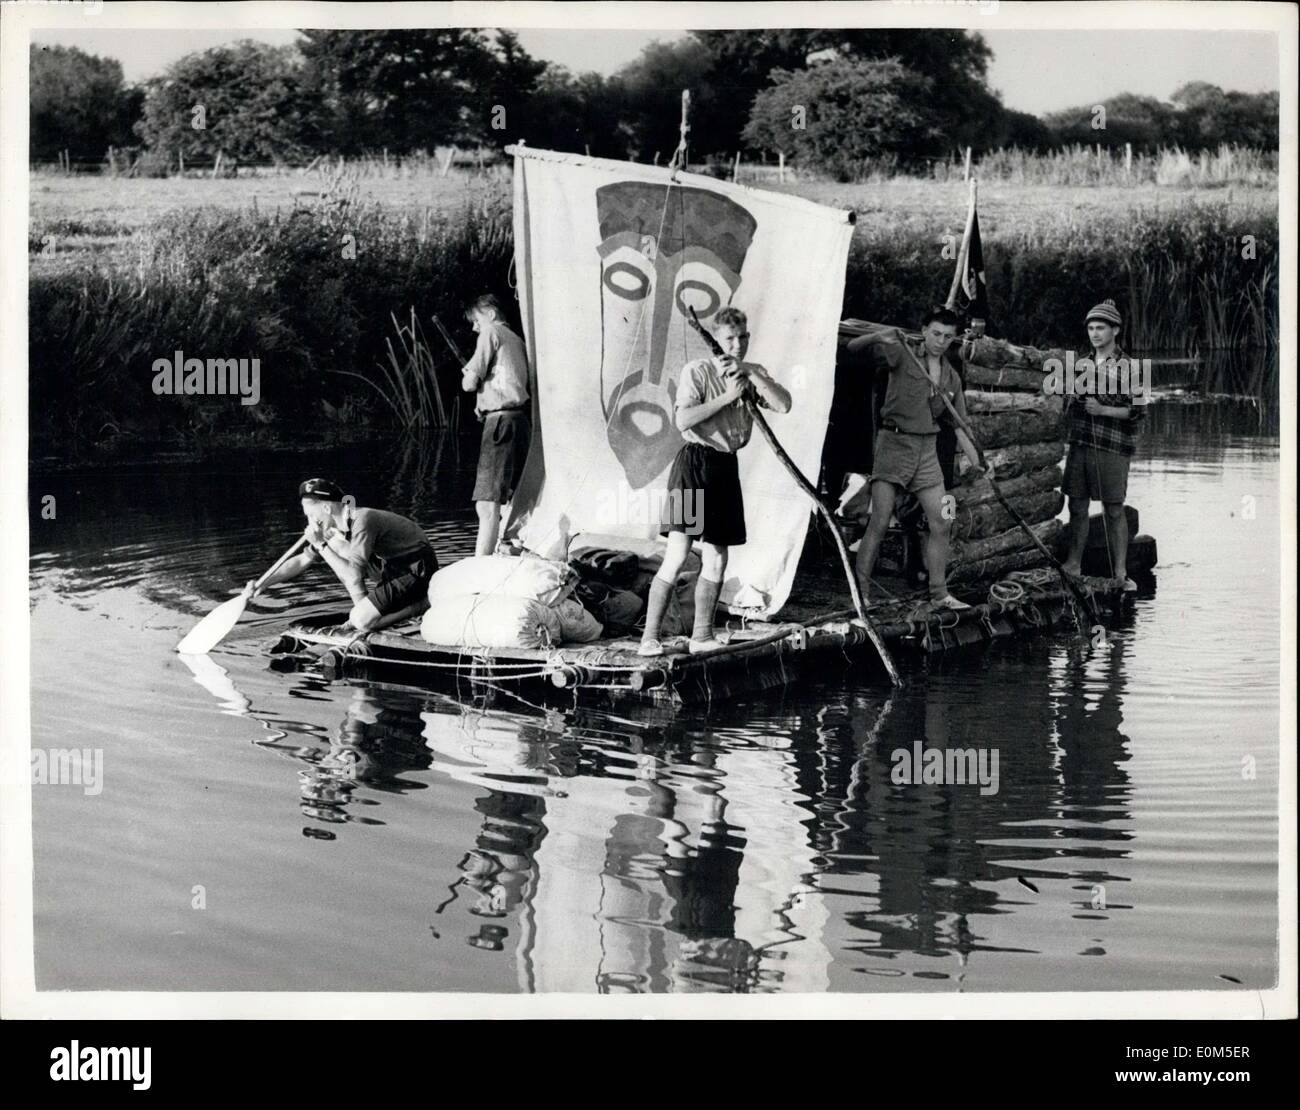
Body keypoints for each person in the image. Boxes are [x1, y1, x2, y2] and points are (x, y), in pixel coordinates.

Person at [638, 306, 791, 657]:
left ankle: (701, 636)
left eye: (742, 338)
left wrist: (750, 374)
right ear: (717, 340)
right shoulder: (699, 370)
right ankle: (650, 637)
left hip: (725, 467)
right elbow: (683, 420)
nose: (736, 345)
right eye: (728, 339)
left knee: (718, 558)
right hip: (694, 464)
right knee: (677, 554)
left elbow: (783, 405)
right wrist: (728, 397)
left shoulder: (753, 373)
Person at [848, 306, 983, 611]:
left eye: (948, 336)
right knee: (880, 521)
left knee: (942, 521)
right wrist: (878, 335)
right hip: (893, 444)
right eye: (935, 333)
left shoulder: (951, 377)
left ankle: (940, 593)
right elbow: (852, 347)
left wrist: (978, 463)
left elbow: (961, 426)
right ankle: (862, 594)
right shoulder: (902, 353)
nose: (940, 341)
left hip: (927, 451)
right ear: (923, 331)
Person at [246, 478, 438, 633]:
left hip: (415, 568)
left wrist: (320, 544)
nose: (310, 522)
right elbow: (301, 560)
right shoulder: (335, 527)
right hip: (391, 568)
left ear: (327, 509)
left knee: (361, 622)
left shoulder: (362, 520)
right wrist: (264, 583)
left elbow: (353, 576)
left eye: (311, 515)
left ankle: (418, 606)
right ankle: (364, 611)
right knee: (336, 545)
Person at [1060, 298, 1144, 590]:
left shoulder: (1132, 367)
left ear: (1115, 330)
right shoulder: (1079, 364)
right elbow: (1067, 404)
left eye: (1101, 328)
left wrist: (1104, 409)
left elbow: (1137, 412)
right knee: (1077, 505)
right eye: (1091, 328)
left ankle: (1120, 572)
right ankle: (1073, 564)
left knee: (1113, 508)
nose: (1095, 333)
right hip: (1081, 443)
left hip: (1113, 448)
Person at [460, 293, 531, 557]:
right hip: (518, 421)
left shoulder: (490, 333)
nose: (474, 327)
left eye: (476, 320)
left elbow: (469, 383)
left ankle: (481, 564)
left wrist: (469, 376)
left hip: (500, 422)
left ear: (490, 313)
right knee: (511, 497)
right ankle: (508, 550)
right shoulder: (517, 340)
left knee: (486, 504)